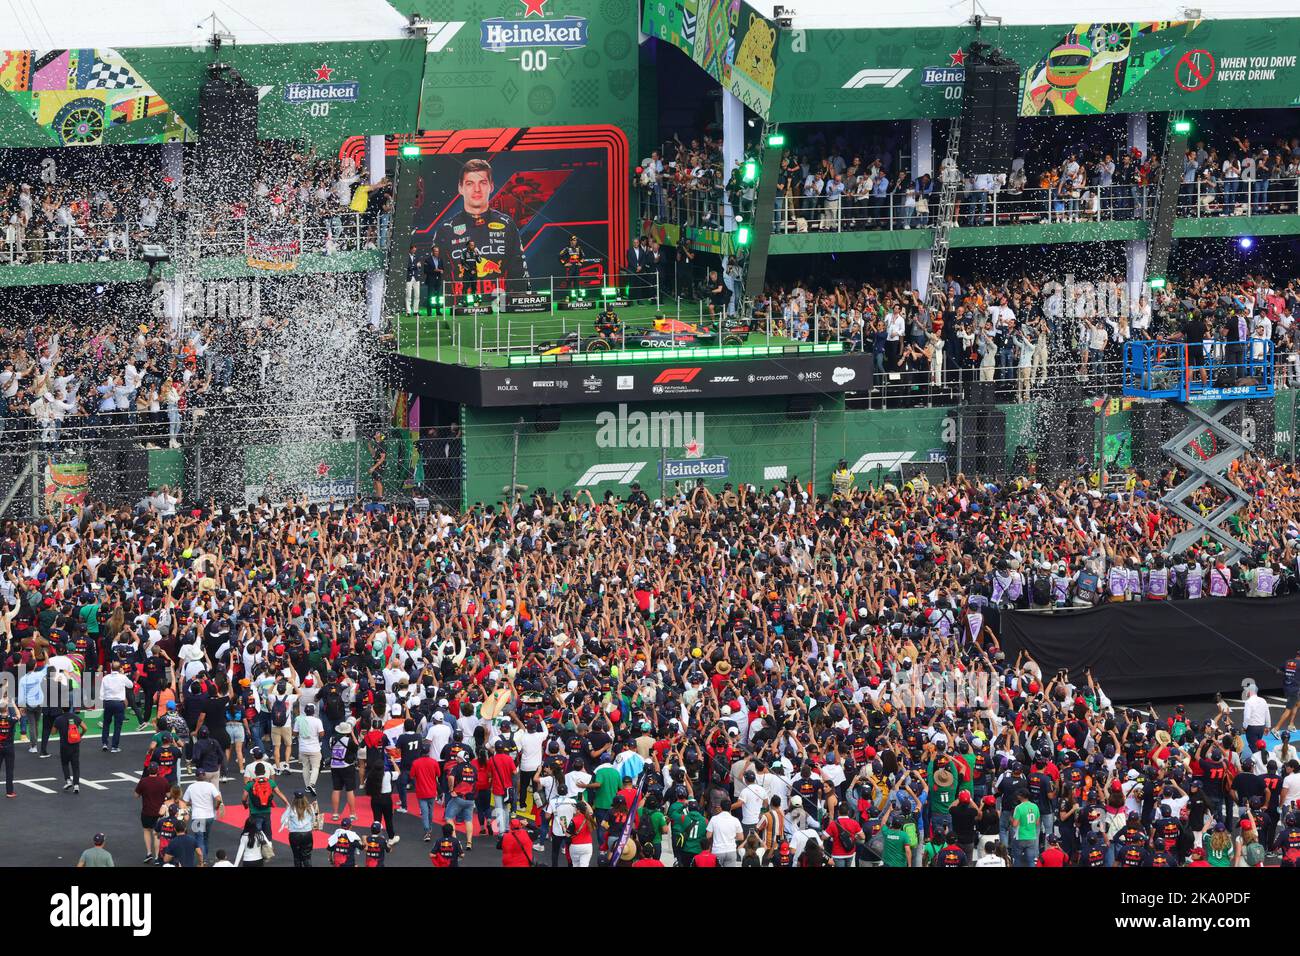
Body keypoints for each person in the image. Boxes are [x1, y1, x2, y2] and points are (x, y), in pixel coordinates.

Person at [435, 158, 530, 299]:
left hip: (500, 307)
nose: (477, 189)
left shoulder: (507, 224)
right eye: (470, 183)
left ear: (491, 186)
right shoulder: (446, 229)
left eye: (483, 183)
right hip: (460, 307)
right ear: (460, 188)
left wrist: (523, 300)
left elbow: (519, 272)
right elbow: (440, 275)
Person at [52, 707, 84, 793]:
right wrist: (80, 735)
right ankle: (76, 785)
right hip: (75, 745)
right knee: (75, 766)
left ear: (62, 709)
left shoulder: (58, 719)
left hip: (64, 745)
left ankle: (68, 780)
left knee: (65, 763)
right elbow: (85, 728)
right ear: (70, 708)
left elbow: (53, 732)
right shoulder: (76, 717)